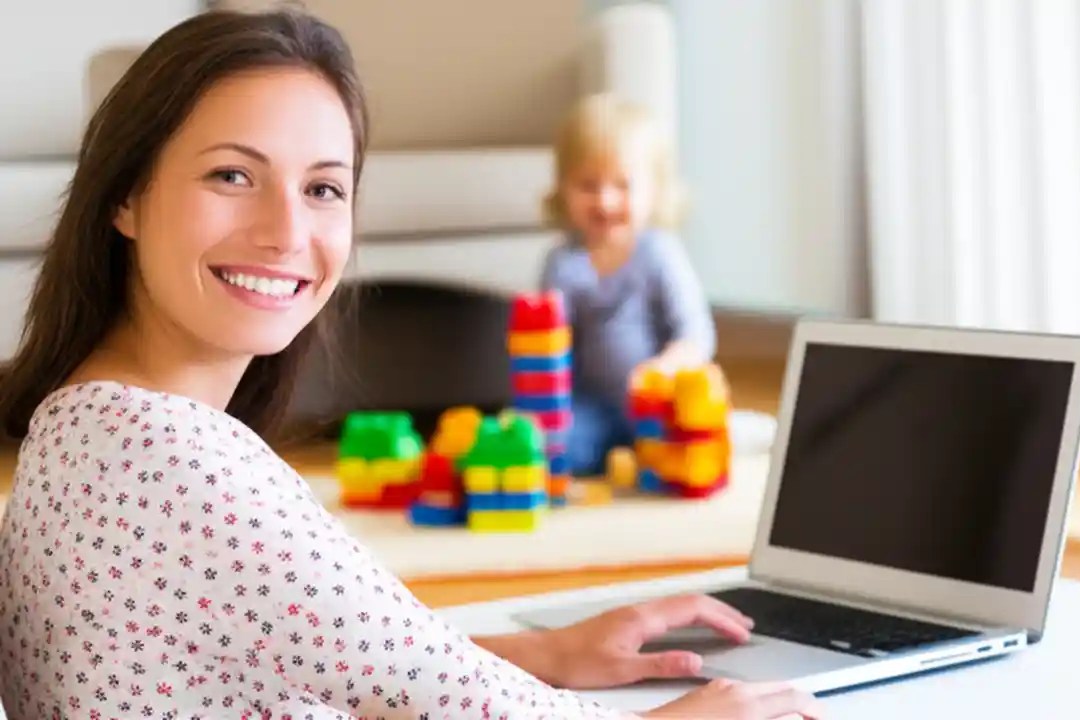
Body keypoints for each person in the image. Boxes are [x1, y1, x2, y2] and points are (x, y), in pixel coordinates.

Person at [0, 9, 821, 720]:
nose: (288, 231)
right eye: (233, 175)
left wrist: (553, 652)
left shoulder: (80, 422)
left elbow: (342, 647)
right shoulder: (175, 463)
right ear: (126, 196)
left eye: (323, 188)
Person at [540, 94, 718, 477]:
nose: (605, 201)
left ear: (654, 191)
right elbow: (548, 350)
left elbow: (696, 333)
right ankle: (610, 448)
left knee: (690, 448)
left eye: (623, 185)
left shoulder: (659, 253)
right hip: (592, 406)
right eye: (588, 185)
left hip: (656, 403)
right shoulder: (562, 264)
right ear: (563, 189)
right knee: (553, 450)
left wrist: (665, 368)